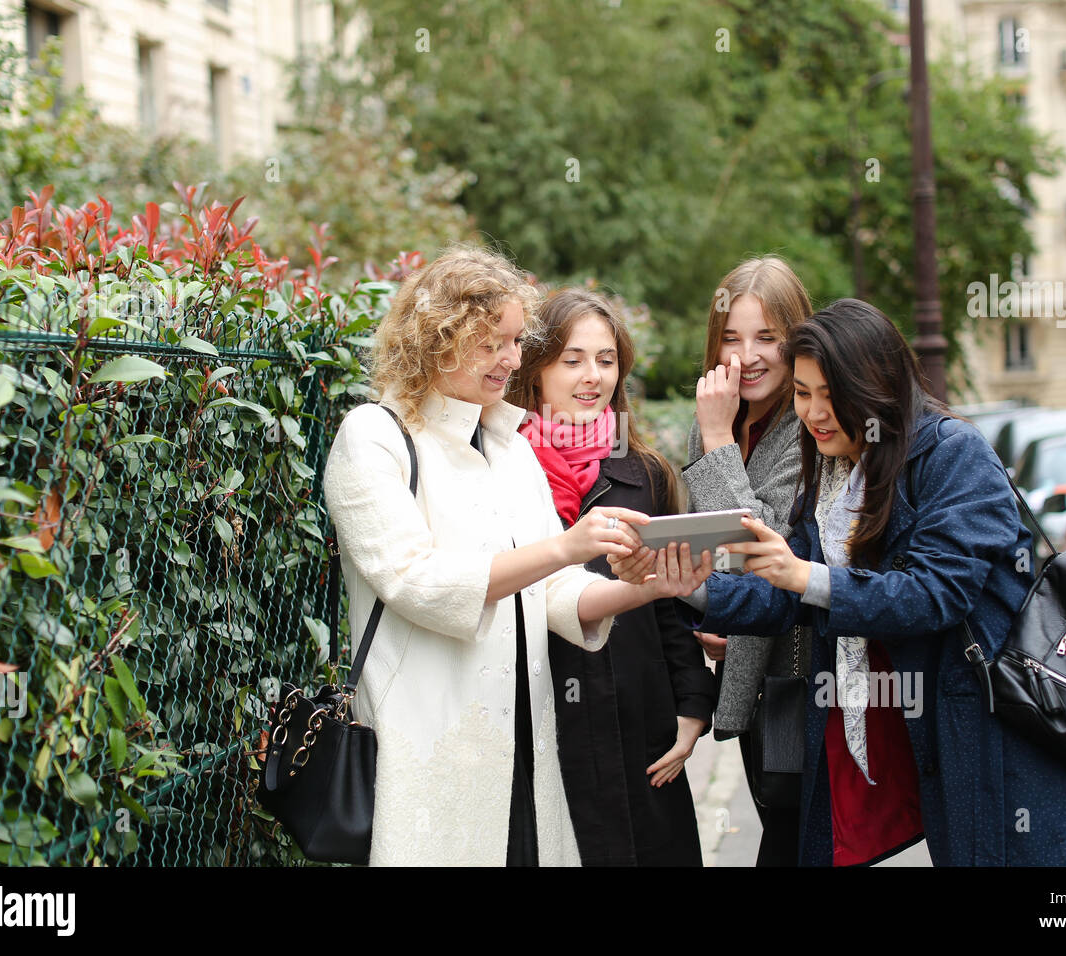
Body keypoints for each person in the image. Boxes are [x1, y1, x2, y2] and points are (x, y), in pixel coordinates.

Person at [617, 298, 1066, 866]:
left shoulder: (953, 453)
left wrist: (807, 575)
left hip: (981, 732)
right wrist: (682, 583)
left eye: (832, 394)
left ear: (877, 389)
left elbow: (936, 593)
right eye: (803, 393)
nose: (814, 412)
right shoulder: (830, 468)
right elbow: (784, 591)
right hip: (879, 739)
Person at [322, 246, 708, 866]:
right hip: (432, 746)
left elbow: (555, 597)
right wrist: (566, 544)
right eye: (491, 343)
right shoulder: (371, 436)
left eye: (513, 341)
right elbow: (416, 582)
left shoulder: (508, 442)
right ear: (438, 338)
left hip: (528, 748)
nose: (510, 360)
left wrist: (652, 586)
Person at [508, 287, 716, 866]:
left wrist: (692, 705)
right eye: (571, 359)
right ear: (536, 367)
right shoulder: (504, 469)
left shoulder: (642, 471)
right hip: (544, 721)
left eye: (605, 359)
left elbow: (669, 601)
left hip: (639, 719)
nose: (591, 376)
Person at [682, 255, 813, 866]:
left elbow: (763, 545)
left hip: (802, 678)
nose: (748, 355)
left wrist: (716, 441)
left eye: (767, 337)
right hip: (746, 675)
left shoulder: (808, 424)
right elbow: (704, 543)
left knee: (795, 841)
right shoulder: (715, 414)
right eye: (731, 338)